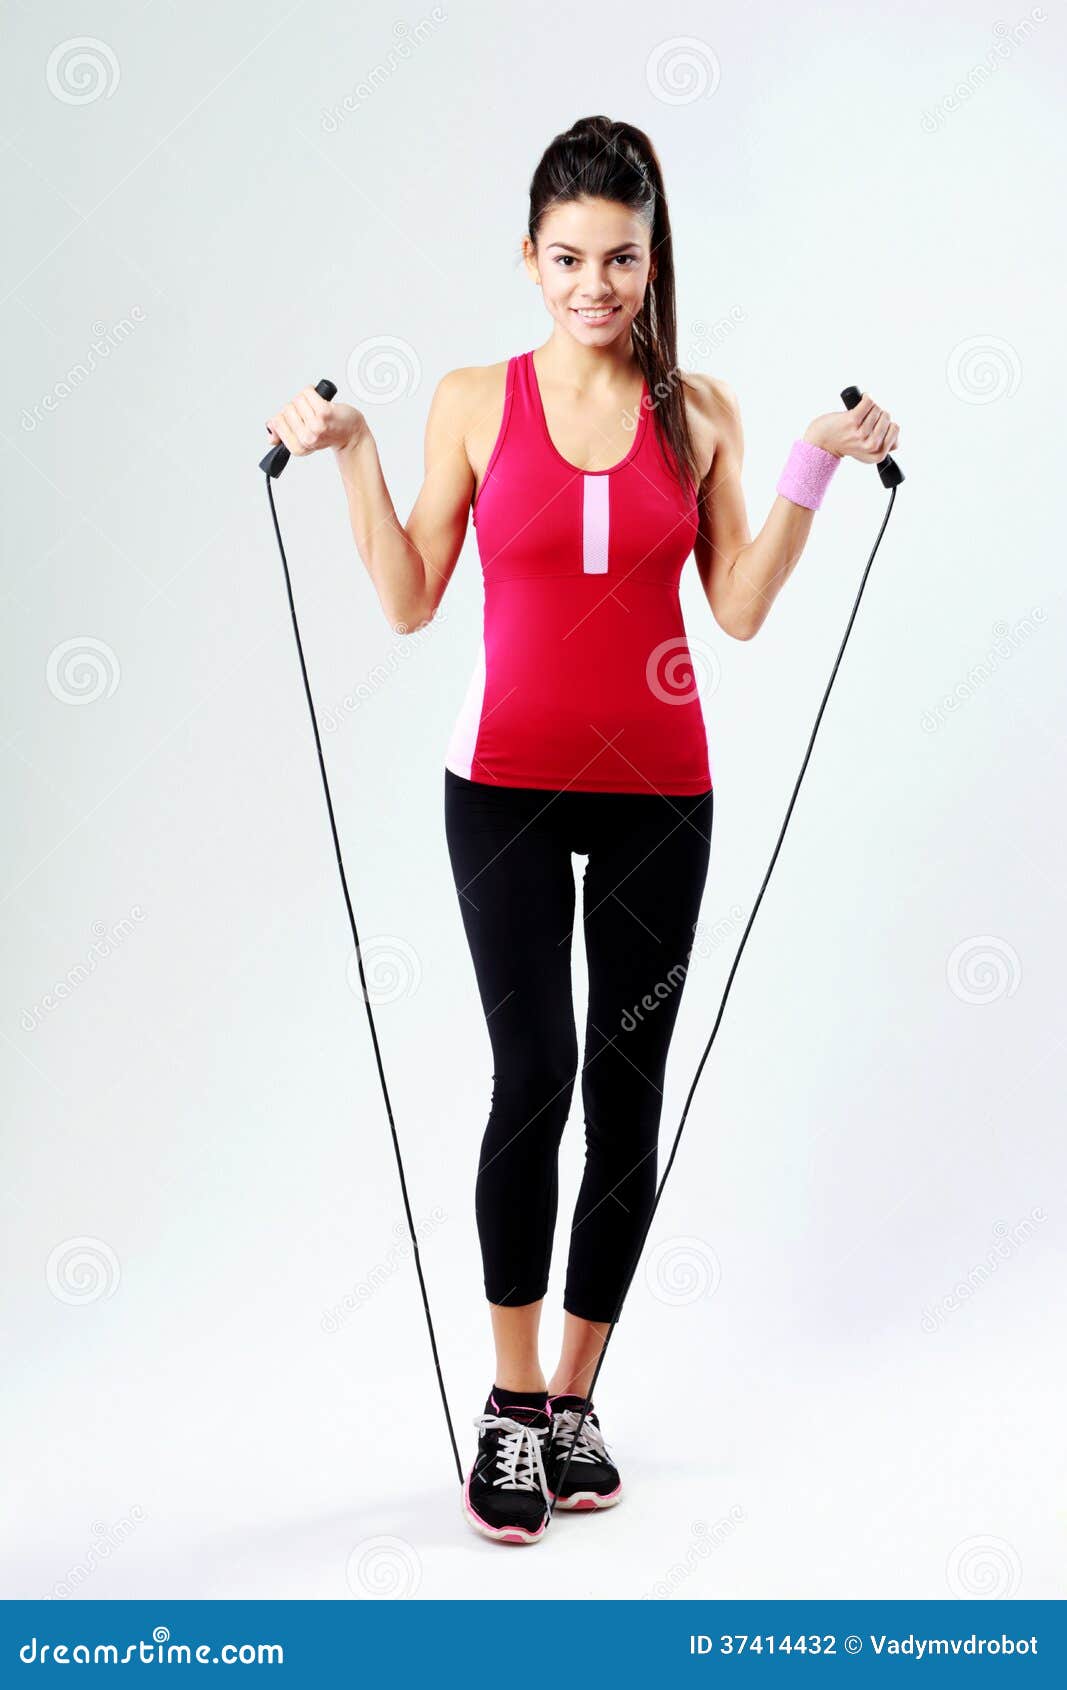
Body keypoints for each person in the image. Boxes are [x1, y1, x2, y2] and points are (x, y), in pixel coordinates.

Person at [265, 115, 899, 1548]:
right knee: (534, 1072)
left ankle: (570, 1398)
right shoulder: (475, 402)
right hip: (502, 780)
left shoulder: (706, 410)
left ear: (651, 255)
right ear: (530, 258)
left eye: (619, 257)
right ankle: (505, 1404)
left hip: (661, 790)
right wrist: (357, 449)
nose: (593, 283)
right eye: (566, 257)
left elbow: (736, 606)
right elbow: (414, 593)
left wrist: (808, 458)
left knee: (626, 1088)